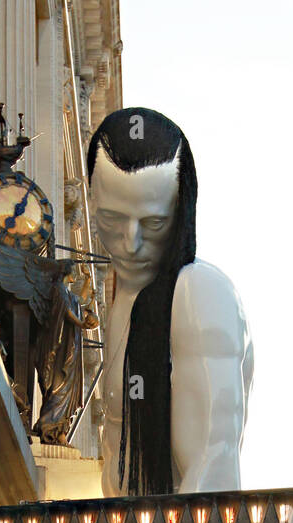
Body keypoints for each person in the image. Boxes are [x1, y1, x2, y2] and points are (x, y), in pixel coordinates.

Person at [87, 107, 253, 497]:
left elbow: (212, 471)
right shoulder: (122, 307)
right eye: (113, 219)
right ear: (92, 201)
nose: (131, 244)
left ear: (181, 213)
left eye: (154, 224)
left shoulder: (199, 294)